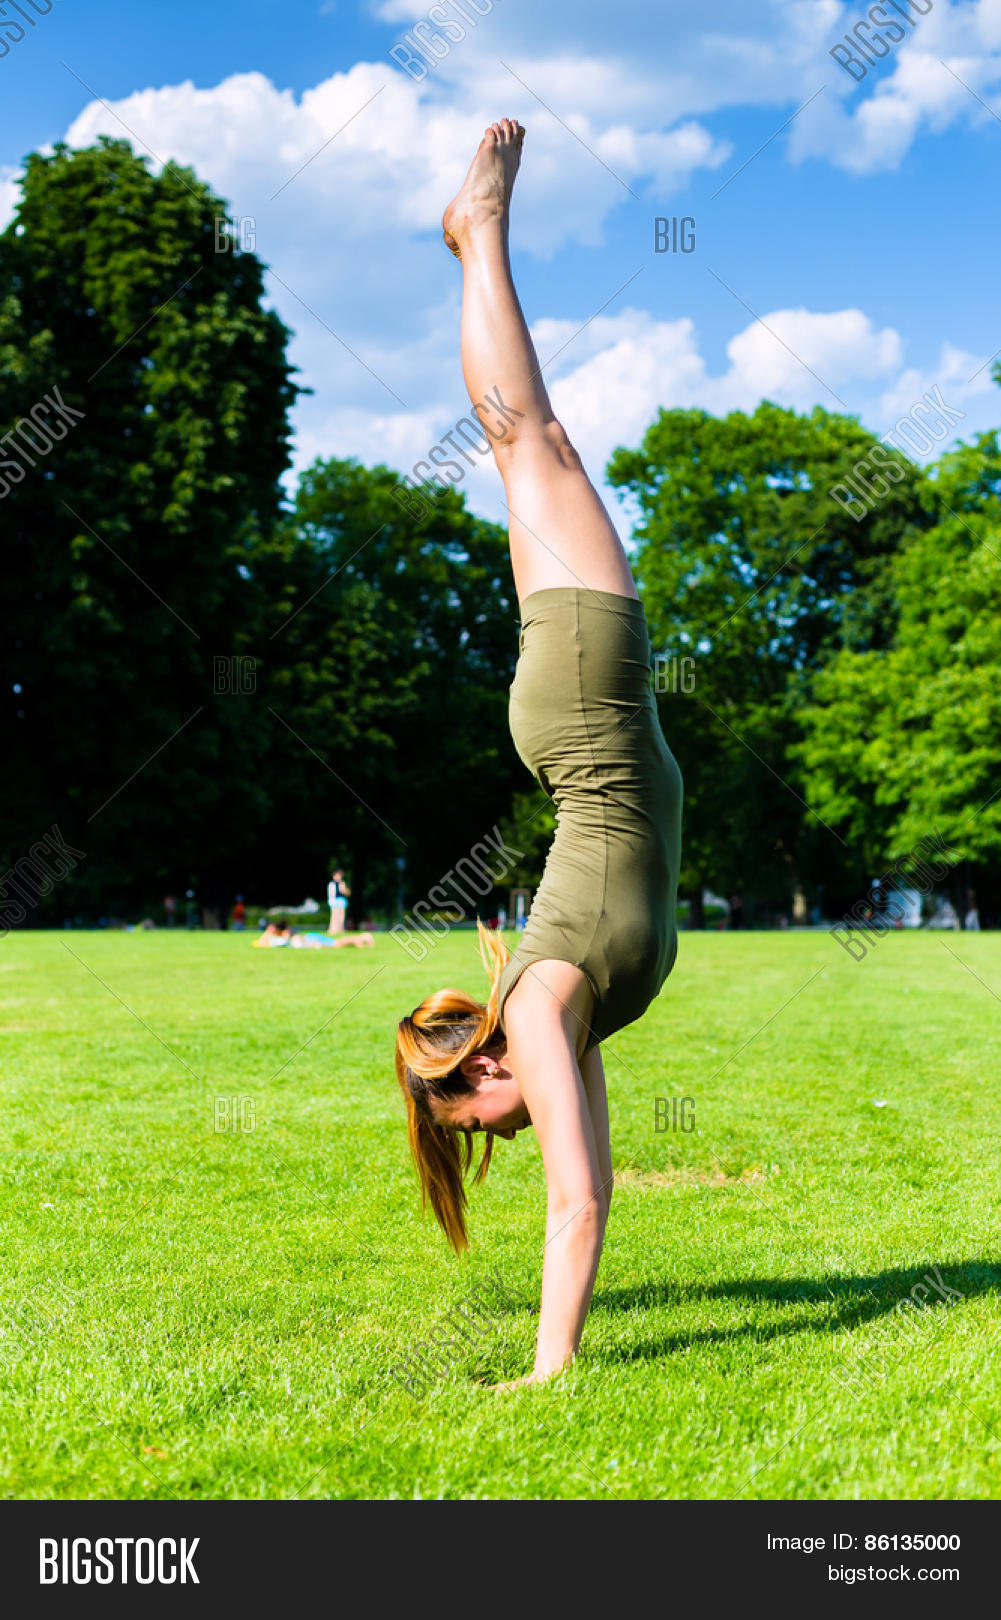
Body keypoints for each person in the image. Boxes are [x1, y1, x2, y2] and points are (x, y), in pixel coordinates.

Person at [393, 121, 683, 1391]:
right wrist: (555, 1355)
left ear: (483, 1071)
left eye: (473, 1124)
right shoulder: (555, 1019)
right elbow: (596, 1186)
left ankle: (479, 232)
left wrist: (546, 1367)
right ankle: (475, 238)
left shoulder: (544, 1007)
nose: (494, 1138)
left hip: (583, 708)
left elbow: (571, 1200)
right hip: (579, 717)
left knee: (534, 443)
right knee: (528, 450)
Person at [327, 868, 350, 935]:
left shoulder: (342, 883)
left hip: (341, 901)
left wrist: (346, 891)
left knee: (341, 916)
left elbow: (344, 891)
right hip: (334, 901)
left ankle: (340, 929)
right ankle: (332, 929)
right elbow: (331, 894)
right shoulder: (331, 884)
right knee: (334, 916)